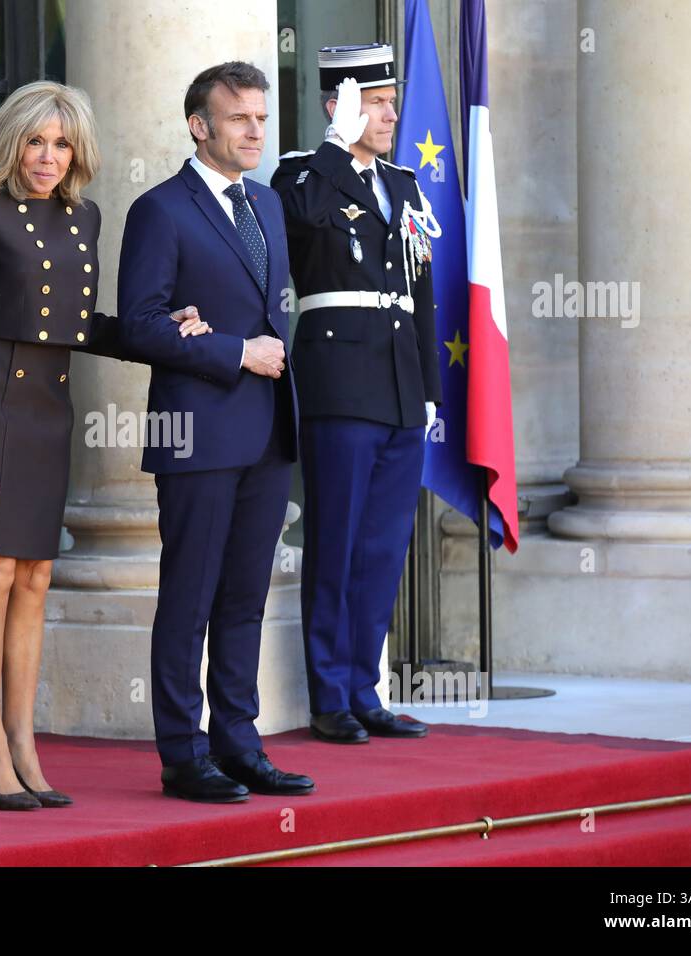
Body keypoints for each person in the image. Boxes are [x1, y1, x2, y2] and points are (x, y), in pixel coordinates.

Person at [0, 80, 210, 811]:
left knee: (35, 581)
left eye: (61, 143)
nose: (48, 156)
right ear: (11, 143)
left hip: (50, 413)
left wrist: (160, 330)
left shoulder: (83, 217)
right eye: (35, 141)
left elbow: (80, 323)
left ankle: (25, 740)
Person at [117, 61, 313, 803]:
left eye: (261, 117)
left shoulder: (265, 204)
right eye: (240, 119)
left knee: (244, 599)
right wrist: (229, 349)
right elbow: (137, 324)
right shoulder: (159, 211)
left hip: (267, 431)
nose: (256, 130)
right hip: (196, 432)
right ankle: (182, 753)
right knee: (190, 595)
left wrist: (244, 341)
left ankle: (239, 744)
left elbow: (274, 308)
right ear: (200, 126)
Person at [270, 44, 441, 744]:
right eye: (373, 101)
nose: (390, 114)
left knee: (382, 546)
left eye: (391, 101)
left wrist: (428, 390)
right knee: (336, 541)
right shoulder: (303, 176)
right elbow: (302, 222)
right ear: (338, 106)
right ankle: (329, 694)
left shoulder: (402, 184)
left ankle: (366, 687)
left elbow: (420, 292)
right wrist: (339, 143)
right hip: (340, 384)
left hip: (400, 387)